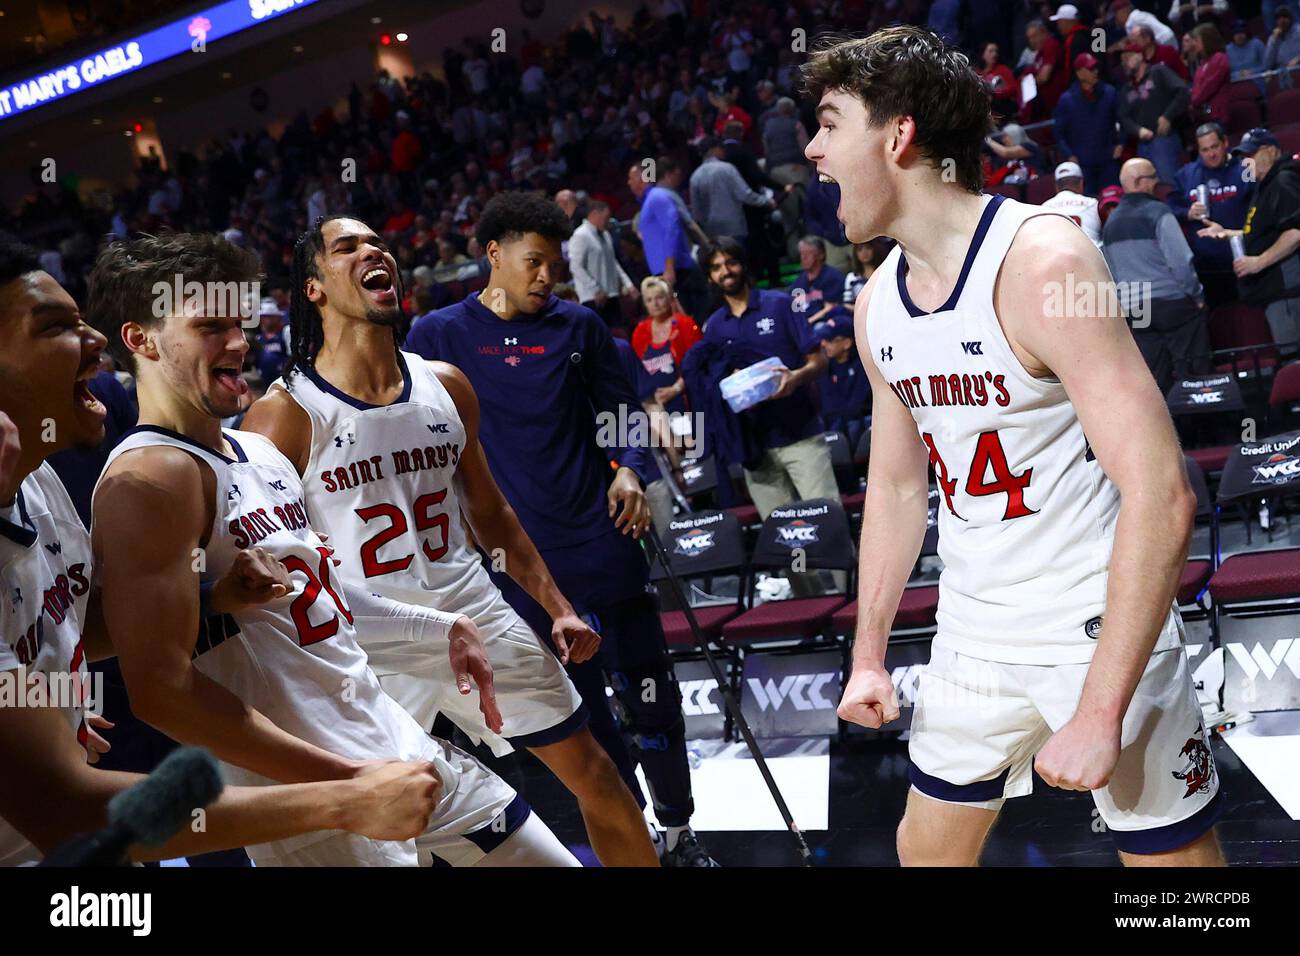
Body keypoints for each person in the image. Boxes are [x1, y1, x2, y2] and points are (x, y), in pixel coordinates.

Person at [805, 26, 1222, 865]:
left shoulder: (1042, 263)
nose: (811, 149)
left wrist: (1101, 709)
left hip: (1092, 619)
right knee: (924, 853)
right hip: (970, 628)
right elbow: (892, 490)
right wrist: (868, 657)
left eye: (828, 121)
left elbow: (1162, 492)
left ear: (897, 135)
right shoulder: (877, 300)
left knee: (1172, 876)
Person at [87, 232, 579, 867]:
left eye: (240, 323)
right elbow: (159, 690)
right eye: (211, 326)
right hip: (313, 797)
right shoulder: (150, 477)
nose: (238, 342)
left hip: (394, 742)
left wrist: (436, 629)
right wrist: (346, 784)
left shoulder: (256, 451)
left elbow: (314, 598)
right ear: (142, 341)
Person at [0, 234, 445, 866]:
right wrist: (343, 796)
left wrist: (212, 598)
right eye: (54, 328)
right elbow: (62, 807)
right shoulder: (144, 475)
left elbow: (77, 626)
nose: (93, 342)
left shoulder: (41, 484)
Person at [239, 215, 659, 867]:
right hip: (372, 643)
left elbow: (492, 515)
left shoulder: (446, 384)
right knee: (399, 831)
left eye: (377, 242)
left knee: (599, 778)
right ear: (314, 288)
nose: (372, 251)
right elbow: (268, 559)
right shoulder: (283, 413)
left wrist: (558, 607)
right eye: (347, 247)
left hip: (475, 613)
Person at [405, 192, 718, 866]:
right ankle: (635, 844)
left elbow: (625, 417)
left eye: (554, 266)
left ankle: (680, 832)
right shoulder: (436, 336)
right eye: (534, 262)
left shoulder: (578, 329)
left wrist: (630, 470)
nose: (548, 277)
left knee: (653, 705)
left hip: (605, 544)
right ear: (492, 254)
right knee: (591, 734)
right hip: (517, 571)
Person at [699, 237, 838, 526]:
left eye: (731, 262)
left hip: (801, 437)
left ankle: (848, 575)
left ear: (743, 265)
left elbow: (820, 361)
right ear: (710, 276)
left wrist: (795, 378)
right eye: (716, 267)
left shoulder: (779, 305)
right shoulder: (713, 327)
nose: (725, 271)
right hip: (755, 451)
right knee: (787, 544)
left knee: (828, 530)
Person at [1105, 158, 1209, 391]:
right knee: (1194, 376)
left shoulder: (1110, 223)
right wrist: (1197, 297)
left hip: (1137, 312)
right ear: (1138, 181)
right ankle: (1204, 423)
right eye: (1153, 177)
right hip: (1173, 305)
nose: (1157, 183)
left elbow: (1111, 273)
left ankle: (1168, 426)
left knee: (1156, 384)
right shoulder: (1160, 212)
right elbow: (1181, 262)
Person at [1200, 128, 1300, 356]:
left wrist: (1259, 262)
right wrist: (1226, 233)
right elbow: (1262, 233)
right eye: (1243, 158)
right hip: (1278, 292)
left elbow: (1295, 231)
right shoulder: (1265, 186)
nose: (1245, 163)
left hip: (1290, 292)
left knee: (1294, 361)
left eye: (1251, 155)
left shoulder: (1283, 181)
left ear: (1271, 150)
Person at [1168, 122, 1253, 308]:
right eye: (1205, 150)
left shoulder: (1245, 170)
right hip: (1206, 266)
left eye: (1215, 147)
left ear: (1225, 142)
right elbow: (1169, 209)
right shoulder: (1185, 174)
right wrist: (1187, 213)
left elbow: (1260, 202)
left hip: (1242, 259)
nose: (1211, 154)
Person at [627, 159, 713, 324]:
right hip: (670, 273)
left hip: (677, 271)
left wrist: (669, 267)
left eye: (631, 178)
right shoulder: (650, 202)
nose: (628, 182)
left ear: (643, 178)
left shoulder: (657, 197)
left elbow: (671, 229)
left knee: (695, 318)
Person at [1116, 36, 1190, 187]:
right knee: (1150, 188)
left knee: (1170, 184)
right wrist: (1137, 130)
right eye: (1122, 59)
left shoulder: (1158, 72)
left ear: (1139, 56)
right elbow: (1123, 117)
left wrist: (1167, 116)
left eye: (1128, 58)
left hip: (1164, 139)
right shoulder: (1126, 88)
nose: (1124, 63)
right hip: (1142, 144)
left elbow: (1183, 92)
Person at [630, 275, 703, 415]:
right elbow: (636, 372)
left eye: (659, 297)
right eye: (649, 300)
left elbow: (698, 363)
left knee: (695, 436)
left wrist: (675, 389)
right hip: (656, 408)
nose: (655, 304)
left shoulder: (685, 325)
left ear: (669, 299)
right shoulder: (640, 332)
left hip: (689, 403)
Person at [1053, 53, 1122, 196]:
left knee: (1113, 198)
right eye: (1091, 69)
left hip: (1107, 160)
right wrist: (1069, 155)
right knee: (1088, 200)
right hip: (1082, 162)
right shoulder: (1066, 100)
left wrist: (1121, 143)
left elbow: (1123, 120)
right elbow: (1059, 134)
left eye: (1096, 68)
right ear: (1079, 73)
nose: (1095, 72)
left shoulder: (1109, 93)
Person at [567, 199, 639, 329]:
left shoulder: (606, 234)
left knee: (617, 333)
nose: (608, 222)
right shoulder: (580, 235)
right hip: (592, 298)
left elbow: (613, 262)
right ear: (594, 214)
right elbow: (576, 266)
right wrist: (595, 289)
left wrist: (629, 285)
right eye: (606, 218)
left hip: (611, 295)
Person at [813, 313, 871, 448]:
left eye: (829, 340)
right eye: (823, 339)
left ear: (847, 343)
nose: (823, 344)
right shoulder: (825, 367)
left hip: (856, 425)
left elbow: (856, 405)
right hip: (832, 426)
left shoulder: (863, 365)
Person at [788, 236, 847, 325]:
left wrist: (807, 323)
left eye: (808, 253)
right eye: (802, 254)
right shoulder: (797, 283)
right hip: (803, 326)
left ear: (821, 255)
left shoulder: (833, 277)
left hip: (826, 323)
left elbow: (832, 307)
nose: (804, 257)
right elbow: (793, 310)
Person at [1041, 162, 1103, 248]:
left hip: (1057, 258)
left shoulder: (1044, 208)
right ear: (1081, 182)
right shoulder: (1093, 203)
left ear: (1056, 186)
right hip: (1090, 256)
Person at [1187, 24, 1231, 126]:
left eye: (1196, 40)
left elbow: (1209, 86)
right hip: (1203, 116)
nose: (1194, 43)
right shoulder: (1202, 63)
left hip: (1217, 115)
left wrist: (1192, 102)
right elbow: (1196, 87)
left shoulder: (1220, 58)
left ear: (1207, 40)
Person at [977, 41, 1019, 121]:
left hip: (1002, 109)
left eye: (996, 51)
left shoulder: (1003, 69)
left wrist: (994, 95)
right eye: (991, 51)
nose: (994, 54)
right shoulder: (979, 74)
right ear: (983, 54)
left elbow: (1013, 89)